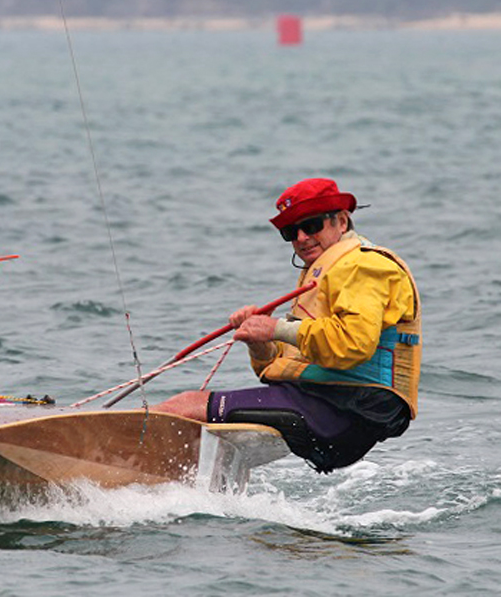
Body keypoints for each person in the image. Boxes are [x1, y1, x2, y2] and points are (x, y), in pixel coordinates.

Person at [153, 178, 421, 472]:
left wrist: (274, 328)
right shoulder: (326, 272)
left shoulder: (364, 266)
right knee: (198, 418)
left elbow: (353, 344)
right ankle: (176, 489)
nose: (302, 237)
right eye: (291, 232)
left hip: (353, 406)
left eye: (312, 225)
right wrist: (259, 341)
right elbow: (277, 368)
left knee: (181, 408)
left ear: (342, 222)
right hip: (329, 400)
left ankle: (124, 469)